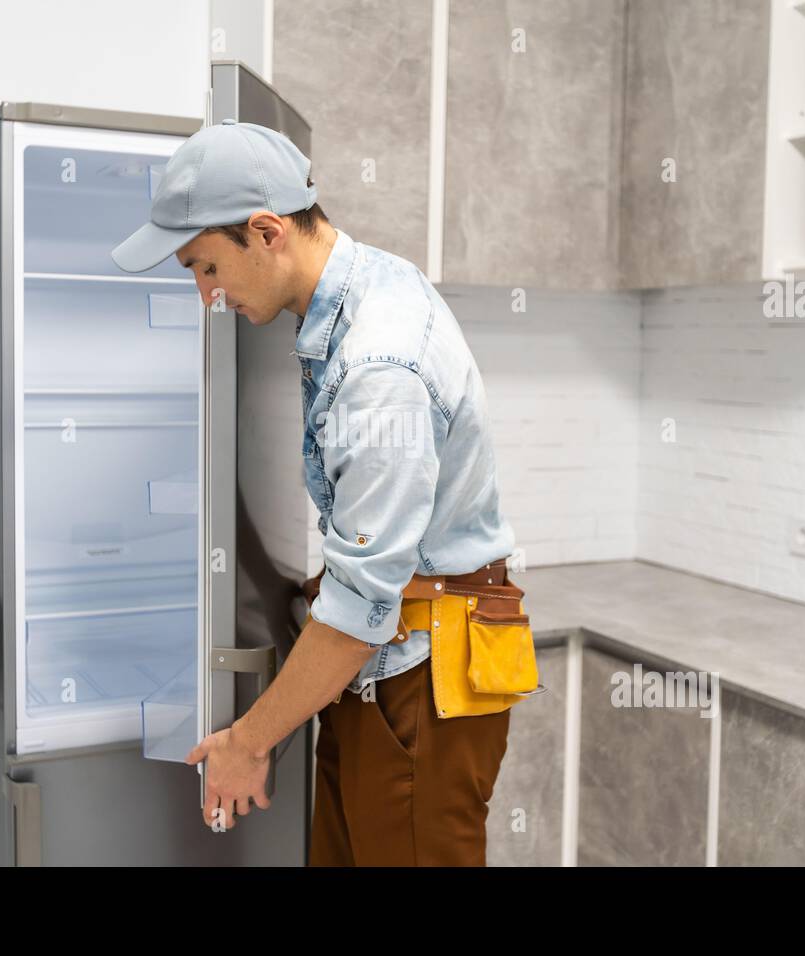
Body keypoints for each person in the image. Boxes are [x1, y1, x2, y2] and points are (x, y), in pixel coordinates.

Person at [111, 119, 523, 866]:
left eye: (206, 267)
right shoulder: (355, 294)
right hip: (382, 672)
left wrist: (247, 742)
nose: (208, 295)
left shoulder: (379, 366)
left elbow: (364, 603)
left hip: (420, 686)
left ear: (267, 232)